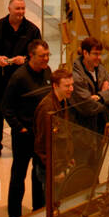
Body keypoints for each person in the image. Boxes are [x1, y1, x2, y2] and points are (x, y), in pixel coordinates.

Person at [0, 0, 41, 164]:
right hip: (1, 77)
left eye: (23, 9)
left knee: (21, 113)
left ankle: (22, 147)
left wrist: (26, 59)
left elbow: (38, 53)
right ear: (9, 9)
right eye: (17, 9)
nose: (21, 12)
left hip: (22, 81)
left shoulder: (32, 30)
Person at [2, 39, 52, 217]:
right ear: (31, 56)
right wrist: (20, 128)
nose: (46, 59)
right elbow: (6, 107)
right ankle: (14, 215)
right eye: (42, 56)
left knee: (38, 174)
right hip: (24, 136)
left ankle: (38, 209)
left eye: (47, 55)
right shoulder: (19, 77)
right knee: (18, 176)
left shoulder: (47, 72)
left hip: (41, 135)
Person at [34, 68, 75, 201]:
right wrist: (55, 171)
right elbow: (42, 143)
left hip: (61, 165)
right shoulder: (47, 108)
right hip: (51, 169)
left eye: (72, 85)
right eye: (67, 86)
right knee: (52, 203)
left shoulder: (63, 101)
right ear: (55, 86)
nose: (71, 89)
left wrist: (68, 157)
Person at [71, 37, 109, 133]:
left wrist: (100, 96)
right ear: (85, 53)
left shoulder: (101, 70)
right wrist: (105, 94)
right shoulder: (76, 77)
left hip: (102, 126)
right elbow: (87, 106)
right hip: (85, 130)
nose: (99, 58)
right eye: (95, 54)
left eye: (100, 54)